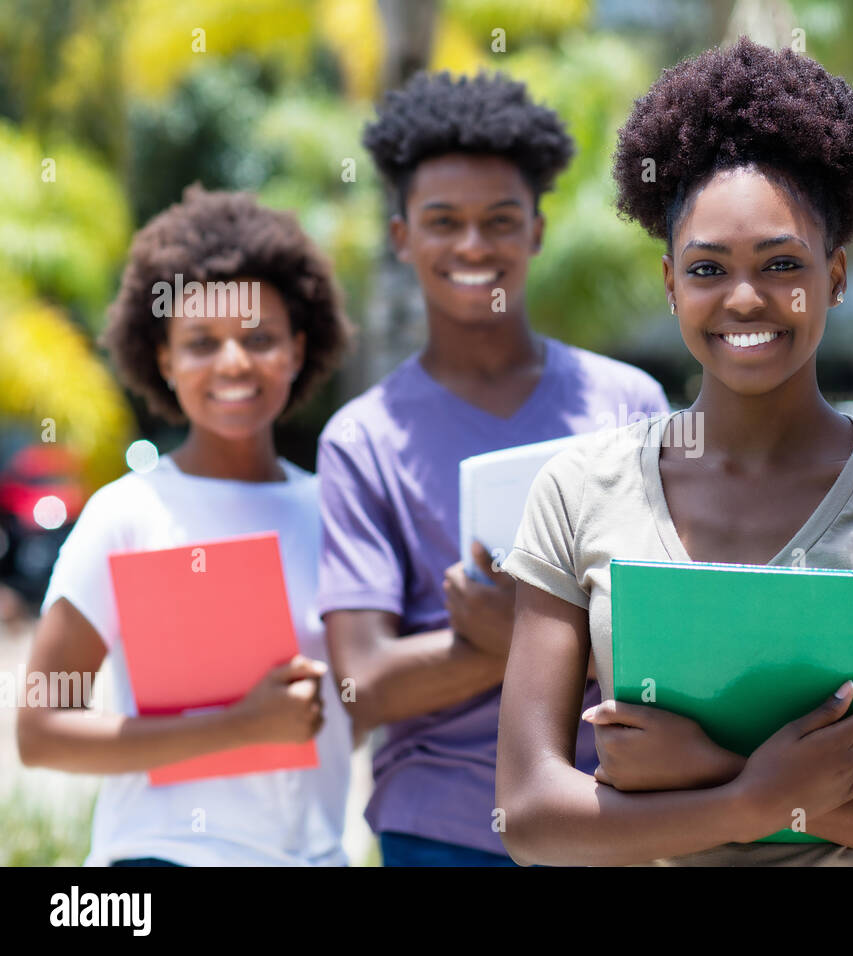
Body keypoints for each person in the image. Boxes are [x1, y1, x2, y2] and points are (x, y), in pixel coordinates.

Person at [495, 38, 853, 867]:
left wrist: (722, 781)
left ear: (837, 275)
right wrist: (756, 795)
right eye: (709, 268)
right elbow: (528, 814)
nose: (746, 299)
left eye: (783, 264)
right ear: (671, 283)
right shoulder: (578, 490)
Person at [317, 69, 670, 867]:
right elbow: (363, 686)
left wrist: (514, 634)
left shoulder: (628, 405)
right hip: (440, 826)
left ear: (537, 231)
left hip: (614, 815)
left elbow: (670, 635)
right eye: (443, 221)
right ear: (402, 235)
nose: (474, 246)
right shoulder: (362, 439)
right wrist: (530, 641)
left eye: (499, 221)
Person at [16, 185, 354, 866]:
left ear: (296, 349)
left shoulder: (338, 512)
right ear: (164, 360)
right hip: (162, 858)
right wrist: (237, 728)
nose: (233, 362)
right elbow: (41, 731)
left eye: (258, 338)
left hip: (313, 856)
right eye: (202, 342)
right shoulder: (125, 515)